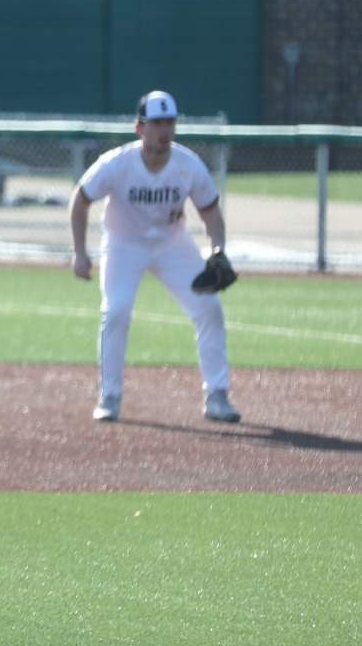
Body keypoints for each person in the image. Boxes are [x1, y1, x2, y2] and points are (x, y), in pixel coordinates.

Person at [69, 90, 240, 424]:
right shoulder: (117, 163)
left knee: (209, 308)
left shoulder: (188, 165)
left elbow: (211, 214)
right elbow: (81, 198)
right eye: (156, 123)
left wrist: (218, 249)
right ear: (139, 128)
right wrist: (79, 251)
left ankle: (217, 396)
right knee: (115, 310)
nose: (163, 130)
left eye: (169, 123)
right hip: (123, 244)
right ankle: (110, 396)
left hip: (172, 244)